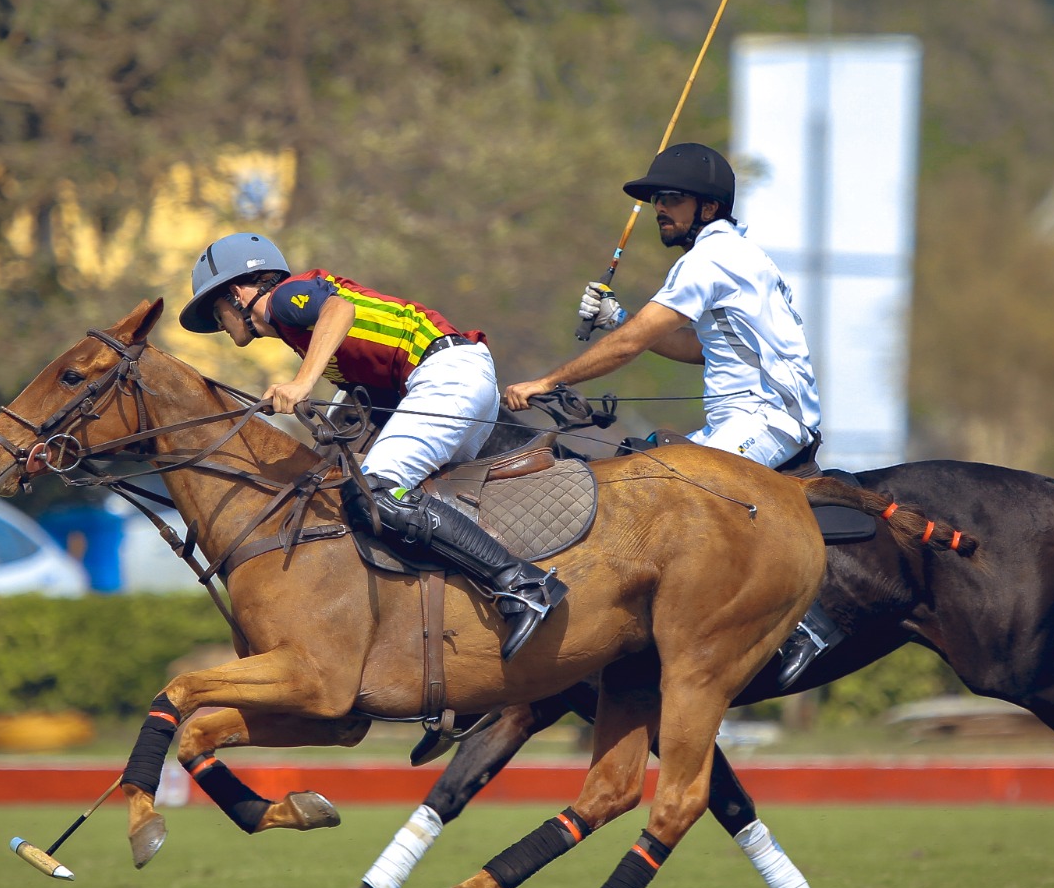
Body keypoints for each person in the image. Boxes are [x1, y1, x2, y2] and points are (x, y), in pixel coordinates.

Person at [502, 142, 835, 683]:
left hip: (768, 420)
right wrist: (619, 317)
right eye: (658, 198)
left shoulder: (709, 259)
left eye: (673, 198)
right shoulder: (734, 254)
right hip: (747, 419)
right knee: (641, 460)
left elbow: (631, 345)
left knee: (675, 493)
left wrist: (548, 381)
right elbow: (699, 348)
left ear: (709, 207)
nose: (660, 207)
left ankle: (805, 626)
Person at [179, 232, 566, 660]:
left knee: (375, 492)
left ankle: (522, 585)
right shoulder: (297, 333)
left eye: (215, 310)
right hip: (455, 378)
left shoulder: (283, 299)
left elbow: (338, 309)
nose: (218, 324)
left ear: (237, 294)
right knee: (411, 503)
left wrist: (302, 383)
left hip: (445, 376)